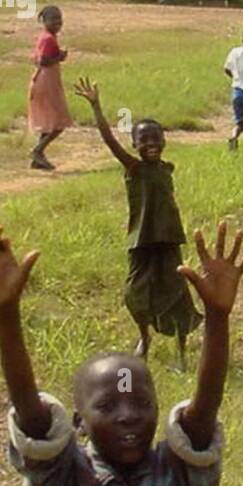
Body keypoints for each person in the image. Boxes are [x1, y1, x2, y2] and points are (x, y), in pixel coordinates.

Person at [0, 221, 243, 486]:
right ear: (78, 423)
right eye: (106, 406)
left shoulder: (177, 473)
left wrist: (218, 317)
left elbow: (205, 408)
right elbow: (31, 416)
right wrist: (6, 314)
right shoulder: (64, 482)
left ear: (159, 411)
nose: (128, 415)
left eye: (142, 403)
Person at [73, 76, 200, 367]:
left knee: (178, 293)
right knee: (134, 293)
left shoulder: (167, 168)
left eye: (156, 139)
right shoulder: (134, 167)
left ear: (165, 141)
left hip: (168, 239)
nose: (151, 144)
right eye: (144, 140)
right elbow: (109, 139)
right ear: (134, 144)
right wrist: (96, 106)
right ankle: (145, 335)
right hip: (141, 239)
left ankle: (181, 352)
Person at [28, 5, 73, 170]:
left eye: (59, 19)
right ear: (44, 21)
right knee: (59, 122)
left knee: (49, 121)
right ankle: (37, 151)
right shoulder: (47, 39)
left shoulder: (47, 38)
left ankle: (38, 159)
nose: (57, 23)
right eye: (53, 19)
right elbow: (43, 60)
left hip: (45, 81)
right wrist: (59, 57)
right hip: (46, 83)